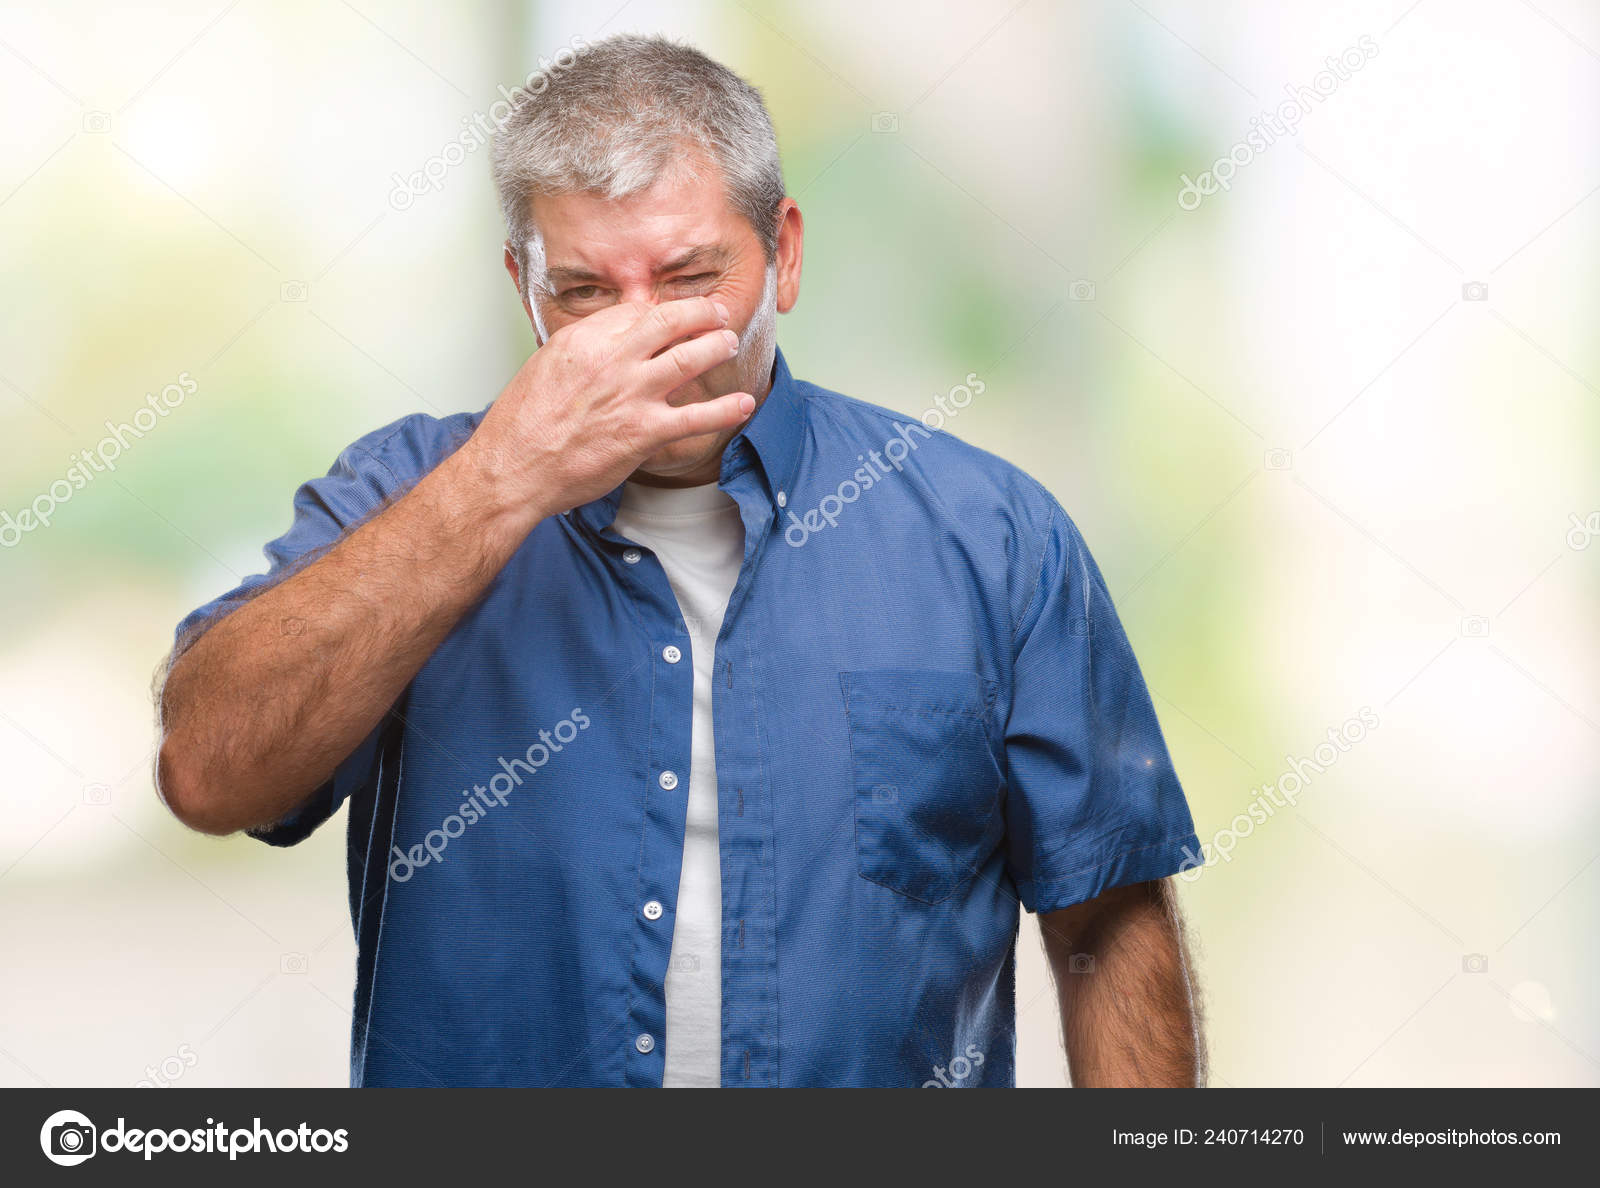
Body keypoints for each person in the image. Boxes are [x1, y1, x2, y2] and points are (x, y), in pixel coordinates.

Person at [156, 33, 1204, 1088]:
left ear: (783, 255)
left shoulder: (990, 535)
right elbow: (210, 776)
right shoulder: (410, 491)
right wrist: (503, 478)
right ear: (521, 283)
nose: (640, 338)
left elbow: (1108, 920)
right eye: (582, 294)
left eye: (691, 277)